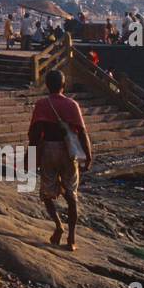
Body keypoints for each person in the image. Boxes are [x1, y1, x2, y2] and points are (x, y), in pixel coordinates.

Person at [28, 69, 92, 251]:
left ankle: (58, 225)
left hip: (48, 149)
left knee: (47, 193)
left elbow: (34, 133)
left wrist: (31, 155)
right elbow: (82, 133)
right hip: (68, 152)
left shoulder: (42, 104)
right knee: (71, 195)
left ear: (47, 85)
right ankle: (71, 238)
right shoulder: (72, 105)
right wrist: (88, 156)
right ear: (63, 85)